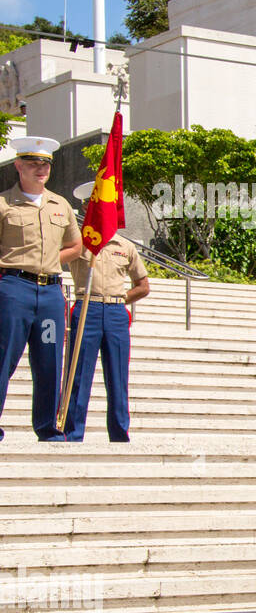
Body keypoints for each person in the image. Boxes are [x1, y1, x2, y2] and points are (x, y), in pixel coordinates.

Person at [0, 136, 82, 441]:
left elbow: (75, 245)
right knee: (4, 357)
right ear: (18, 165)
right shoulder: (4, 204)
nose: (41, 169)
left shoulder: (59, 204)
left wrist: (49, 260)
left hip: (50, 293)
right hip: (14, 289)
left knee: (49, 360)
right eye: (33, 163)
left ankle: (48, 427)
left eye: (45, 163)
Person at [64, 182, 150, 442]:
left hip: (114, 312)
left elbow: (143, 285)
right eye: (95, 206)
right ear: (87, 209)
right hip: (86, 307)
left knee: (118, 375)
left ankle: (120, 432)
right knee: (78, 375)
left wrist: (121, 299)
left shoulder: (124, 245)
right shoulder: (77, 243)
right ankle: (72, 432)